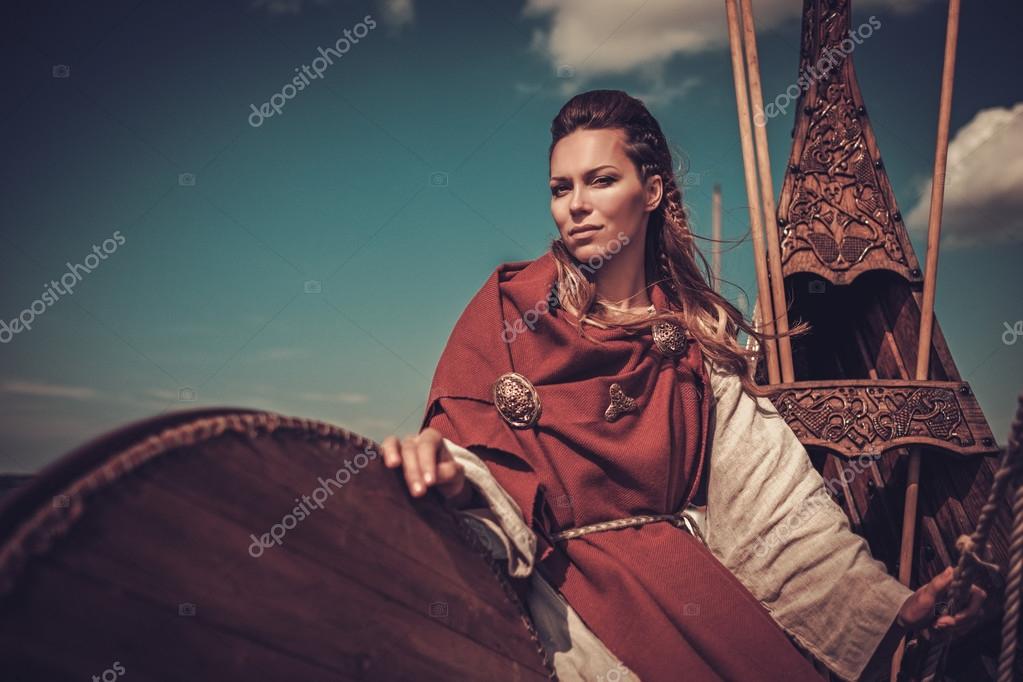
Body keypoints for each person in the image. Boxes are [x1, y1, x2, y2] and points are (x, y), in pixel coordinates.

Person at [380, 90, 986, 681]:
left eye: (601, 180)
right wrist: (454, 475)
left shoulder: (696, 348)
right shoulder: (508, 314)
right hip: (552, 611)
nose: (576, 205)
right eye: (561, 188)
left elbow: (776, 512)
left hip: (694, 606)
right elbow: (471, 452)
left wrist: (892, 610)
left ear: (652, 191)